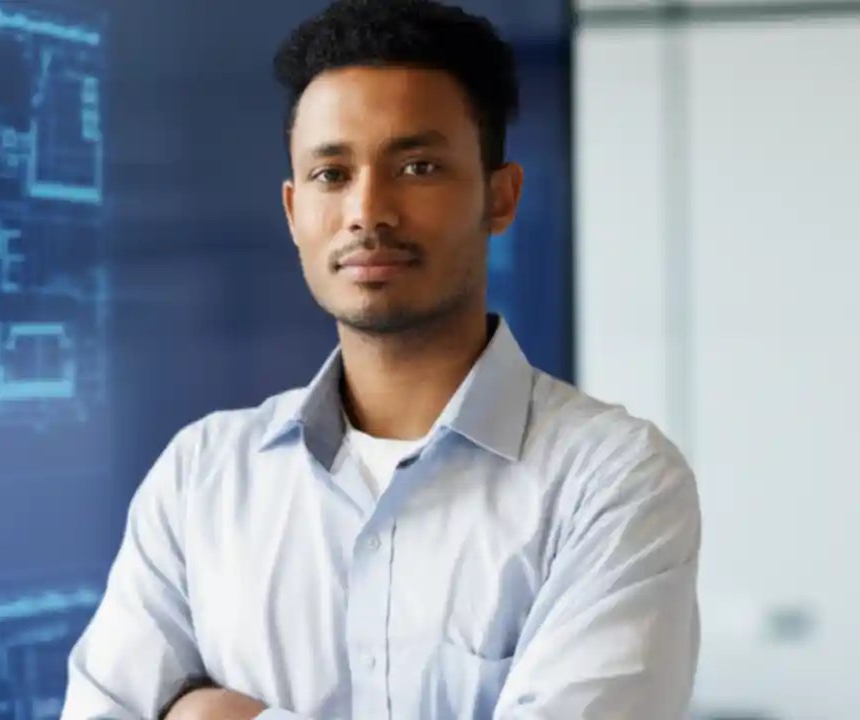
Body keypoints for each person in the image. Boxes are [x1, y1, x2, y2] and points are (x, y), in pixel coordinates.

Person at [61, 0, 701, 717]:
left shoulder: (610, 481)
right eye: (331, 175)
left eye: (417, 166)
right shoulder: (200, 478)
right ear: (293, 210)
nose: (368, 210)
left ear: (501, 196)